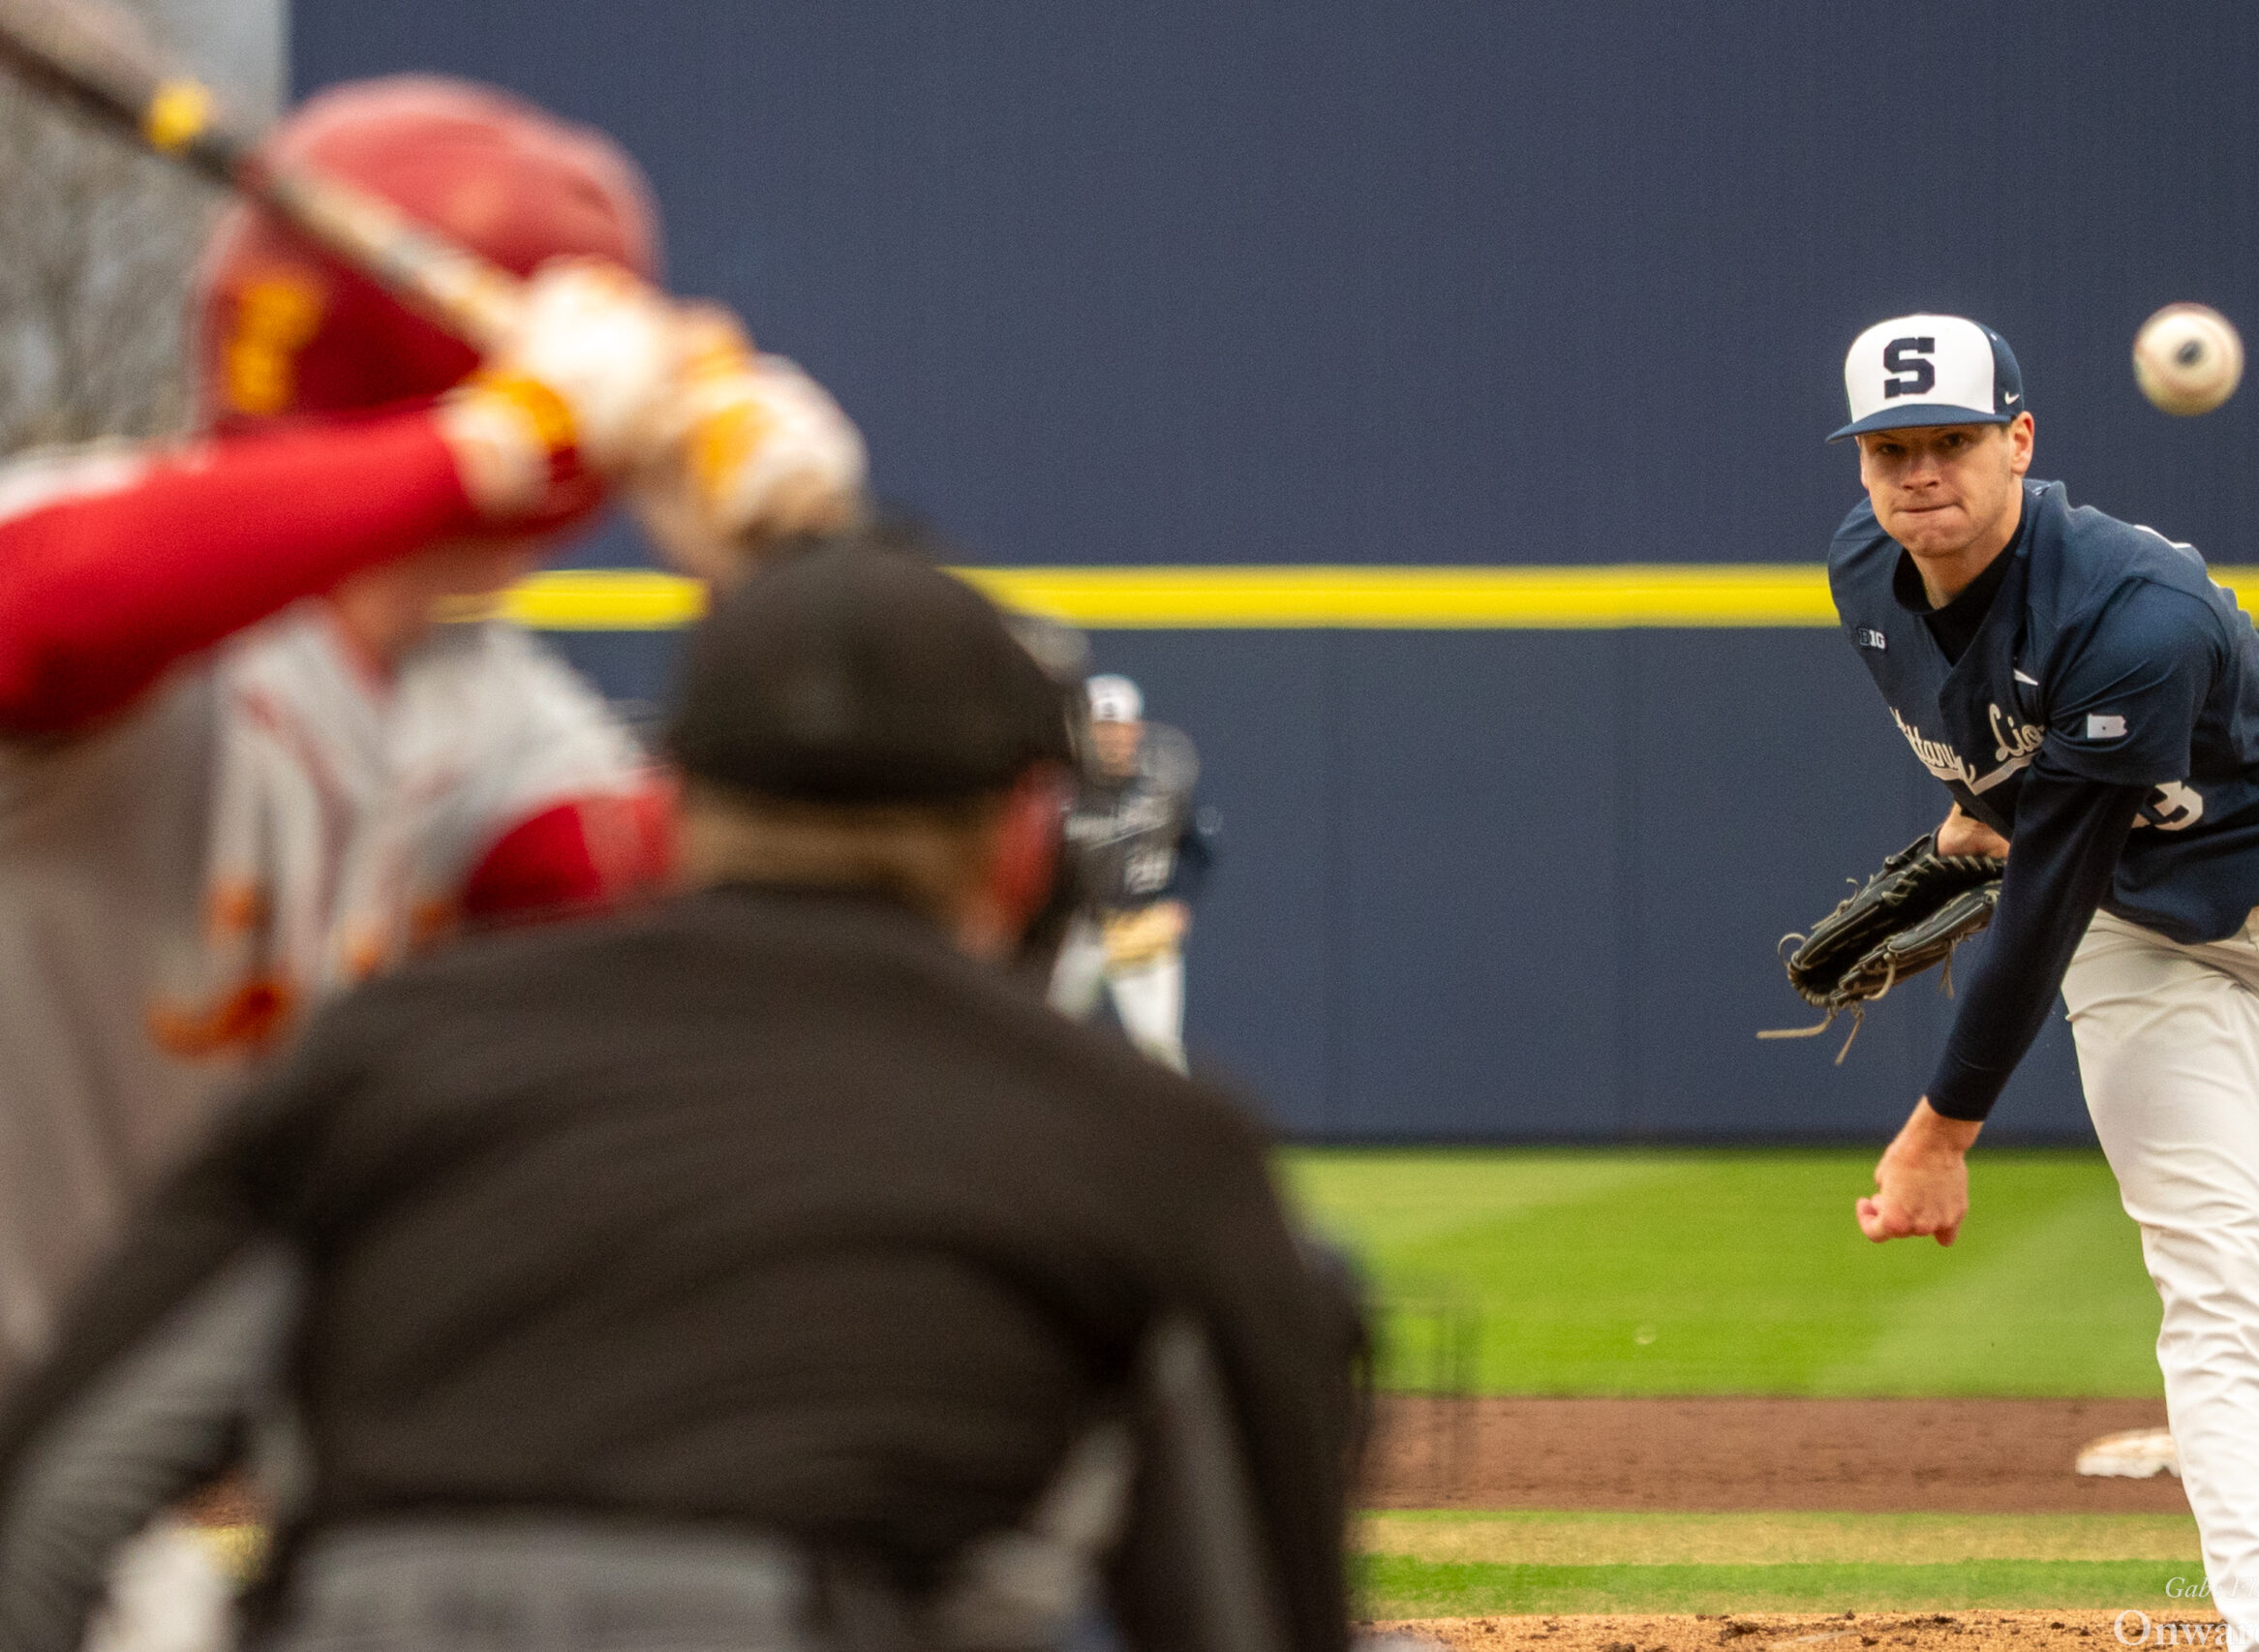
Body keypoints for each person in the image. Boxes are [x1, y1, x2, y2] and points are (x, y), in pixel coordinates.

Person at [0, 533, 1356, 1652]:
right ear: (1024, 845)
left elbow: (48, 1508)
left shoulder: (389, 1052)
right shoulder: (1150, 1144)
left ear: (664, 797)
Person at [0, 75, 864, 1382]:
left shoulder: (485, 701)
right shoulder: (106, 537)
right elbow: (38, 624)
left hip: (152, 1458)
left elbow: (702, 949)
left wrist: (796, 586)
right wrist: (495, 442)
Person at [1819, 313, 2259, 1652]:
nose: (1918, 473)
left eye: (1949, 439)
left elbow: (2047, 889)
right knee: (2215, 1279)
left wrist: (1941, 1128)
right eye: (1890, 448)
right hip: (2147, 933)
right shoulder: (1864, 574)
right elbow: (2029, 806)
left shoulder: (2138, 611)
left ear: (2020, 440)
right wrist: (1983, 811)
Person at [1049, 675, 1213, 1072]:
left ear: (1136, 729)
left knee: (1159, 1051)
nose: (1110, 737)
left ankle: (1177, 1135)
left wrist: (1178, 902)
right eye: (1100, 727)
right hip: (1077, 932)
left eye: (1118, 727)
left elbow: (1200, 851)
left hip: (1141, 927)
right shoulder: (1061, 786)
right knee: (1044, 1046)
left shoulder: (1162, 787)